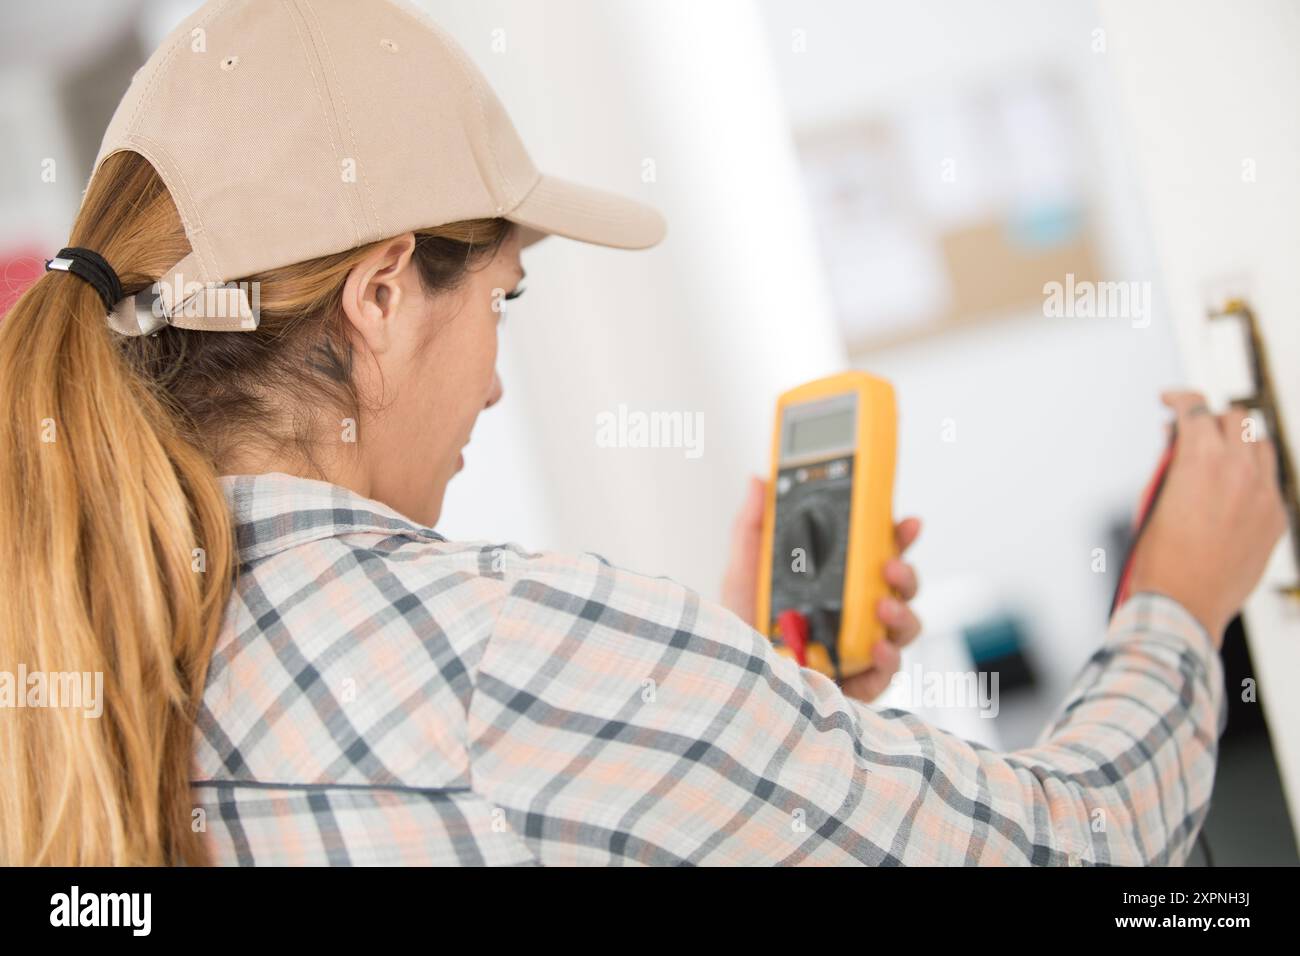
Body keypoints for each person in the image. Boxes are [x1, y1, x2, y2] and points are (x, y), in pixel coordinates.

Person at [0, 0, 1285, 866]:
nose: (496, 383)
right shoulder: (504, 653)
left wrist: (754, 718)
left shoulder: (81, 655)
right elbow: (1081, 848)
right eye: (504, 296)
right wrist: (1180, 592)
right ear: (380, 297)